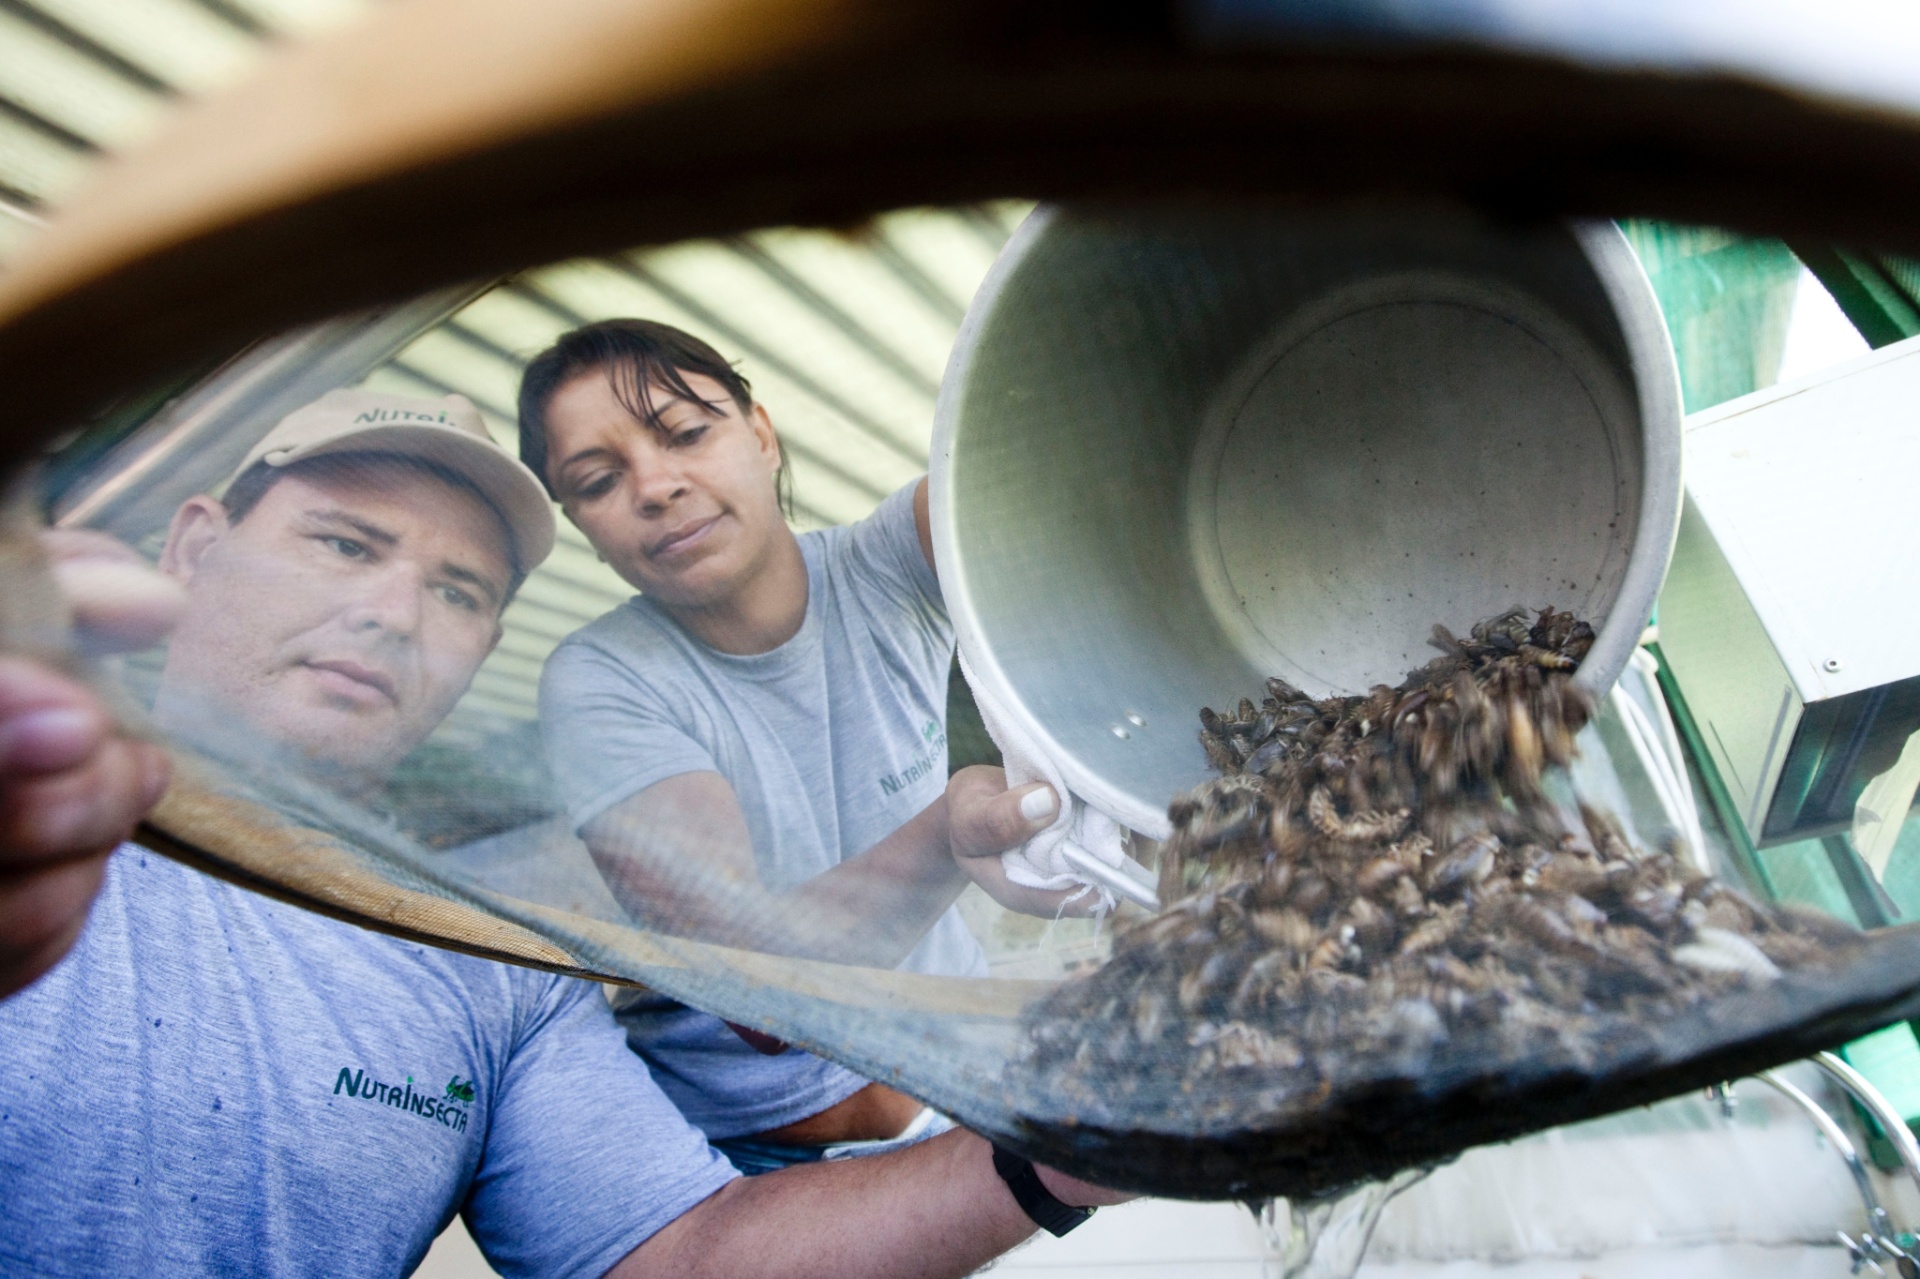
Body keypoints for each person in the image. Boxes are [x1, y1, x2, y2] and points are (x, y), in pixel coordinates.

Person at [0, 387, 1123, 1278]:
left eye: (456, 591)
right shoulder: (28, 783)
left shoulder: (491, 964)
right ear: (195, 546)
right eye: (345, 544)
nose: (394, 615)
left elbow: (675, 1251)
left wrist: (1054, 1155)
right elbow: (771, 962)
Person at [520, 320, 1079, 1172]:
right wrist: (948, 829)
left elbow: (1038, 485)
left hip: (963, 1082)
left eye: (686, 433)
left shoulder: (883, 565)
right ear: (581, 525)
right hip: (759, 1158)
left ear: (763, 433)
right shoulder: (600, 680)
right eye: (598, 480)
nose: (656, 486)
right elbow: (758, 990)